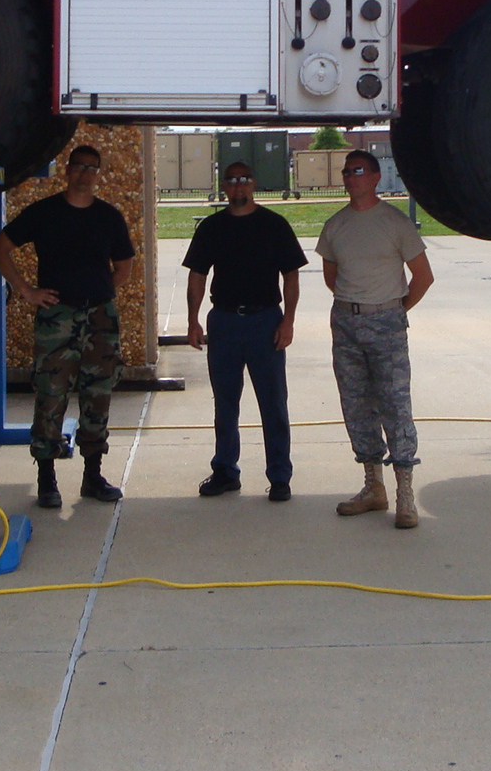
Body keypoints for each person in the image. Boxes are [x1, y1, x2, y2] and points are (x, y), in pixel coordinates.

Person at [0, 144, 136, 508]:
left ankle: (92, 476)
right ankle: (46, 479)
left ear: (98, 175)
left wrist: (96, 291)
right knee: (51, 395)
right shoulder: (44, 213)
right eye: (80, 167)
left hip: (100, 319)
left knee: (97, 395)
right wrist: (25, 290)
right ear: (67, 170)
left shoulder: (108, 217)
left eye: (93, 168)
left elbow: (124, 268)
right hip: (57, 318)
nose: (86, 174)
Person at [315, 149, 434, 529]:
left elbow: (423, 277)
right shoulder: (335, 226)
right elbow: (331, 277)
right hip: (347, 324)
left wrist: (394, 312)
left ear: (376, 177)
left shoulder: (396, 223)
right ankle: (373, 487)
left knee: (395, 405)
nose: (350, 178)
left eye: (358, 171)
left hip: (386, 325)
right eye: (347, 172)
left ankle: (405, 494)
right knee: (356, 405)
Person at [183, 159, 307, 502]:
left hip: (265, 322)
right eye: (232, 180)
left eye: (244, 179)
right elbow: (197, 275)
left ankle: (280, 476)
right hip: (223, 322)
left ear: (254, 184)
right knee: (225, 403)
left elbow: (292, 276)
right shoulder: (211, 227)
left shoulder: (274, 225)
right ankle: (225, 471)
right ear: (224, 186)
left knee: (273, 403)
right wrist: (192, 320)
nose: (238, 186)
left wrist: (288, 321)